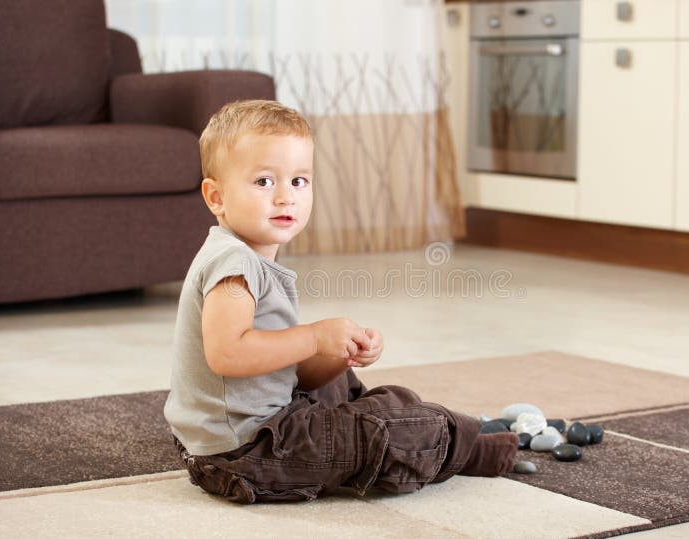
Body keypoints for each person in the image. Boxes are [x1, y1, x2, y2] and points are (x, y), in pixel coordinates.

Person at [163, 99, 519, 503]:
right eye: (264, 182)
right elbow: (228, 354)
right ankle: (457, 444)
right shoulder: (233, 262)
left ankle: (401, 417)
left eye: (299, 181)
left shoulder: (246, 256)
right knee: (391, 431)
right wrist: (313, 337)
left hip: (240, 435)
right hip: (244, 452)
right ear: (216, 197)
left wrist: (336, 353)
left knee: (338, 382)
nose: (285, 197)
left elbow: (288, 372)